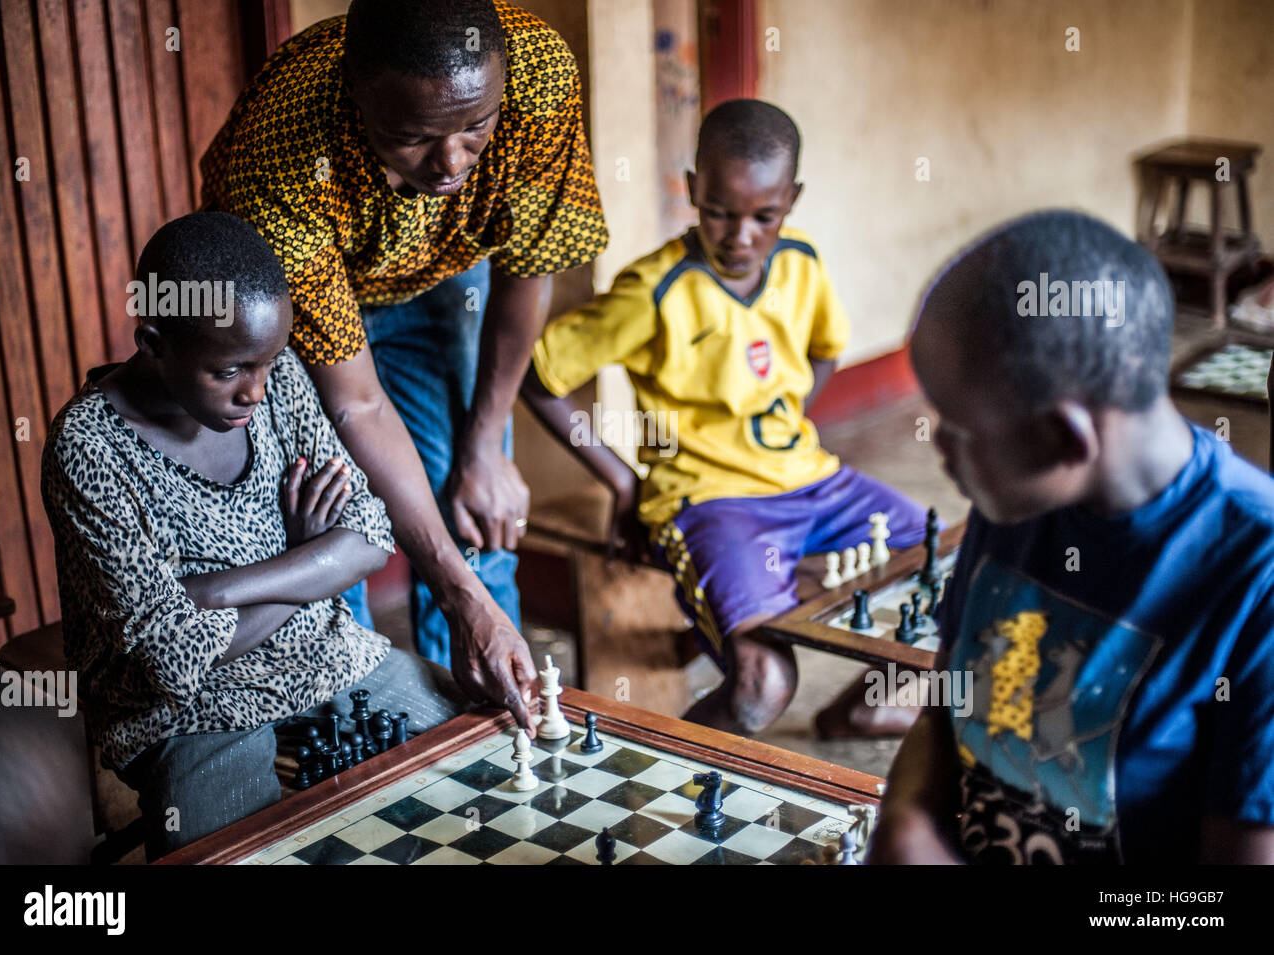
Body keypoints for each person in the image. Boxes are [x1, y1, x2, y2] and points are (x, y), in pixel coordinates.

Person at [200, 0, 609, 734]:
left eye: (474, 129)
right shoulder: (280, 150)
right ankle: (361, 750)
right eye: (413, 137)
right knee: (324, 528)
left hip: (443, 285)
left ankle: (488, 738)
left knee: (473, 508)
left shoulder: (540, 76)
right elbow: (356, 403)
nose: (451, 164)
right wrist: (460, 599)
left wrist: (486, 445)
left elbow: (529, 267)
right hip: (299, 312)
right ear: (354, 92)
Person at [41, 212, 469, 859]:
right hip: (184, 711)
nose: (258, 391)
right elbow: (170, 659)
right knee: (240, 853)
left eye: (269, 362)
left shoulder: (276, 374)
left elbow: (370, 538)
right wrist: (310, 567)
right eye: (231, 371)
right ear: (154, 341)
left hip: (326, 655)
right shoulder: (88, 447)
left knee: (472, 769)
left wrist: (206, 593)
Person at [868, 210, 1274, 864]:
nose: (937, 447)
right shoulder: (1013, 503)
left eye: (959, 428)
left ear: (1064, 438)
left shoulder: (1256, 576)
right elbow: (949, 702)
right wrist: (908, 820)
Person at [522, 100, 924, 736]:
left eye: (764, 216)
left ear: (791, 200)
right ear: (692, 189)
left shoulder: (802, 264)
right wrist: (623, 480)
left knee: (952, 570)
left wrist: (783, 423)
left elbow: (824, 349)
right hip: (710, 502)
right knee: (762, 686)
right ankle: (650, 796)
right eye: (718, 212)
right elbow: (540, 378)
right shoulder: (654, 291)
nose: (740, 236)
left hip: (813, 483)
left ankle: (865, 707)